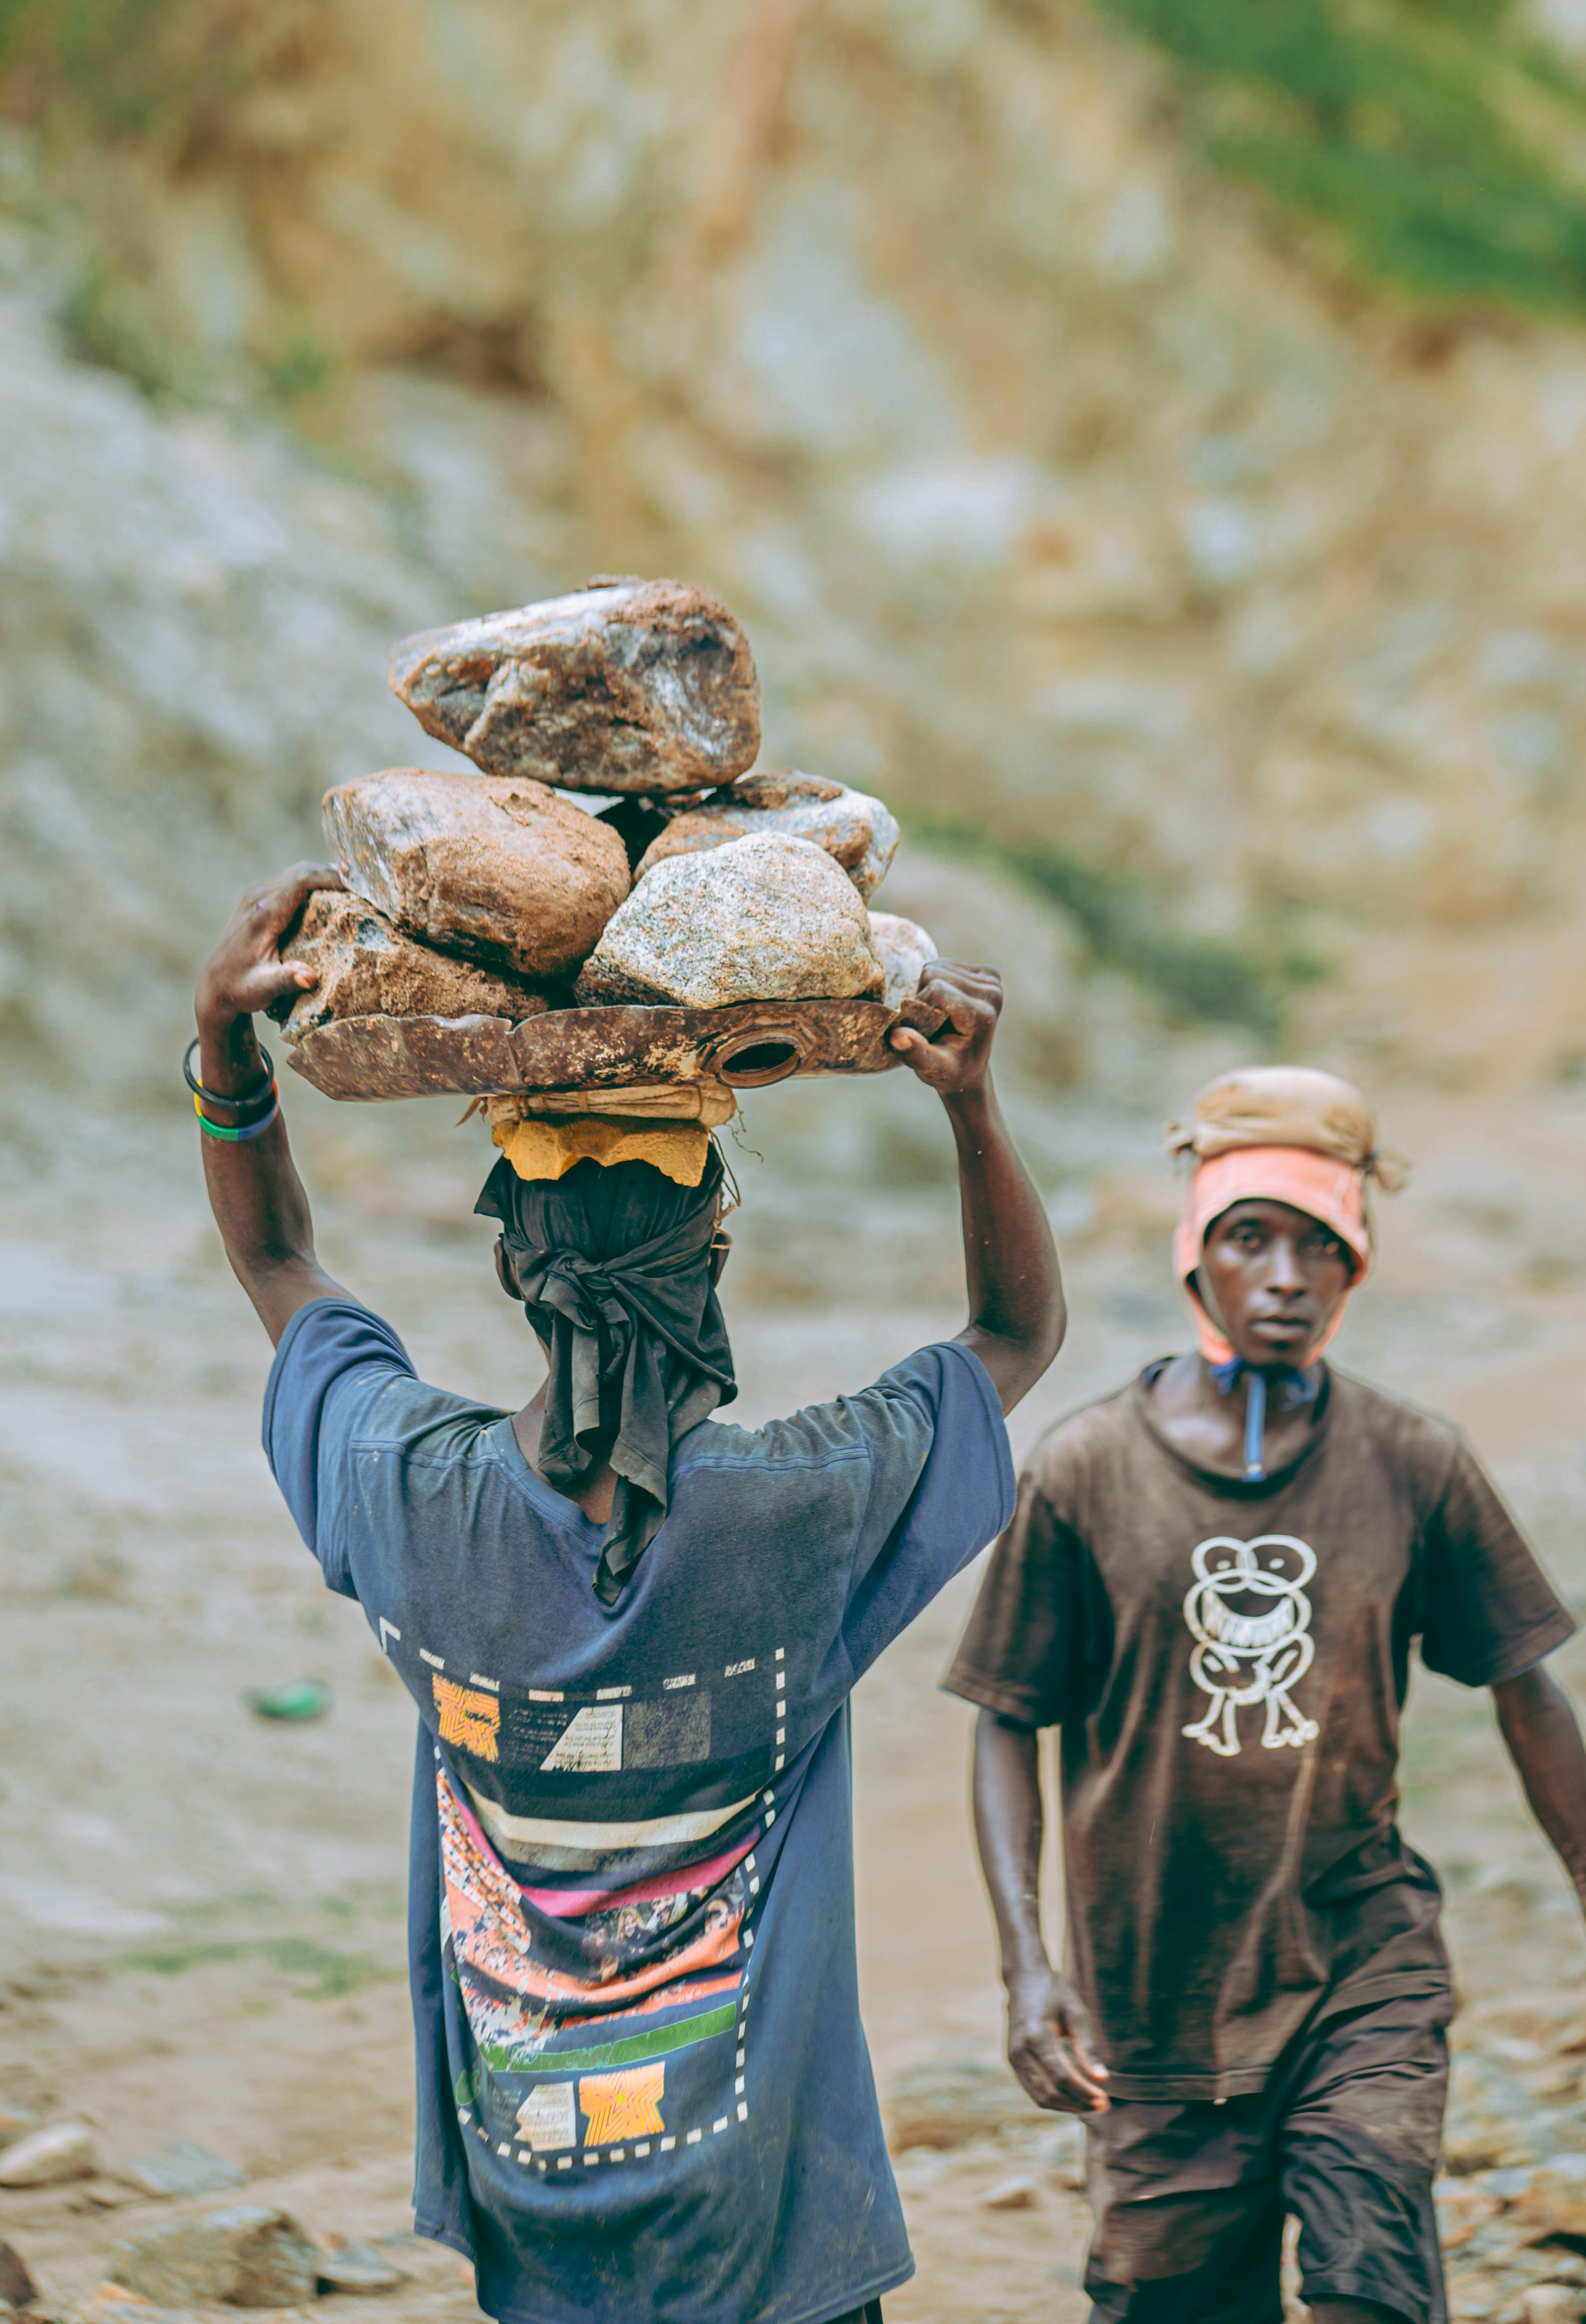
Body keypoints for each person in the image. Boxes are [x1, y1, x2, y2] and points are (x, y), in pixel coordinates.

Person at [192, 860, 1066, 2324]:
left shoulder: (413, 1494)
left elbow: (280, 1259)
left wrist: (224, 1047)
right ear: (713, 1249)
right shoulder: (798, 1512)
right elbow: (1015, 1334)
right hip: (772, 2231)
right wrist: (972, 1107)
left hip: (537, 2222)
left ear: (517, 1264)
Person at [945, 1063, 1586, 2324]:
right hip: (1154, 2010)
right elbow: (1008, 1714)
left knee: (1368, 2287)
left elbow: (1530, 1697)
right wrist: (1028, 1969)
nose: (1287, 1275)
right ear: (1197, 1259)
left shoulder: (1413, 1462)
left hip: (1361, 1971)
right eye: (1250, 1239)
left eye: (1320, 1245)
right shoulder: (1085, 1471)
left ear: (1356, 1269)